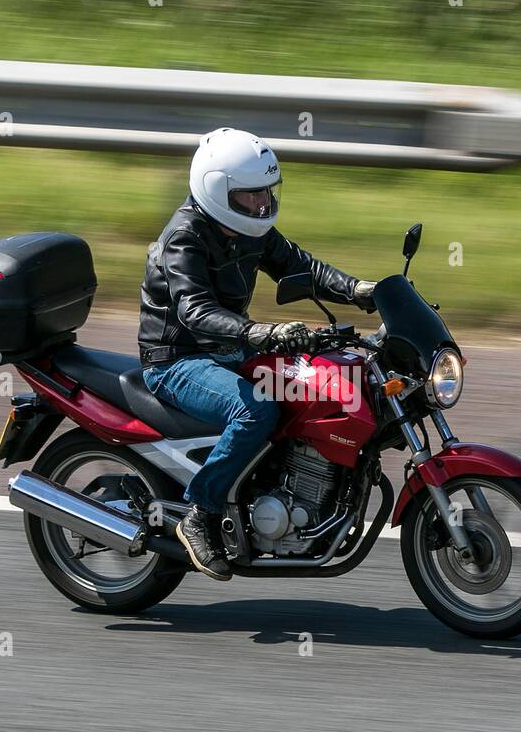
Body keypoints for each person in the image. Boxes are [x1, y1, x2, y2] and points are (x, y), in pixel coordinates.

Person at [138, 127, 377, 581]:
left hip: (232, 350)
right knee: (256, 410)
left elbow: (302, 267)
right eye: (252, 195)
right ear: (217, 189)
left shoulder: (250, 229)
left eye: (269, 191)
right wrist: (261, 332)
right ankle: (200, 512)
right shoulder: (184, 237)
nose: (264, 202)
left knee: (324, 387)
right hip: (178, 360)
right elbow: (195, 310)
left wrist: (363, 291)